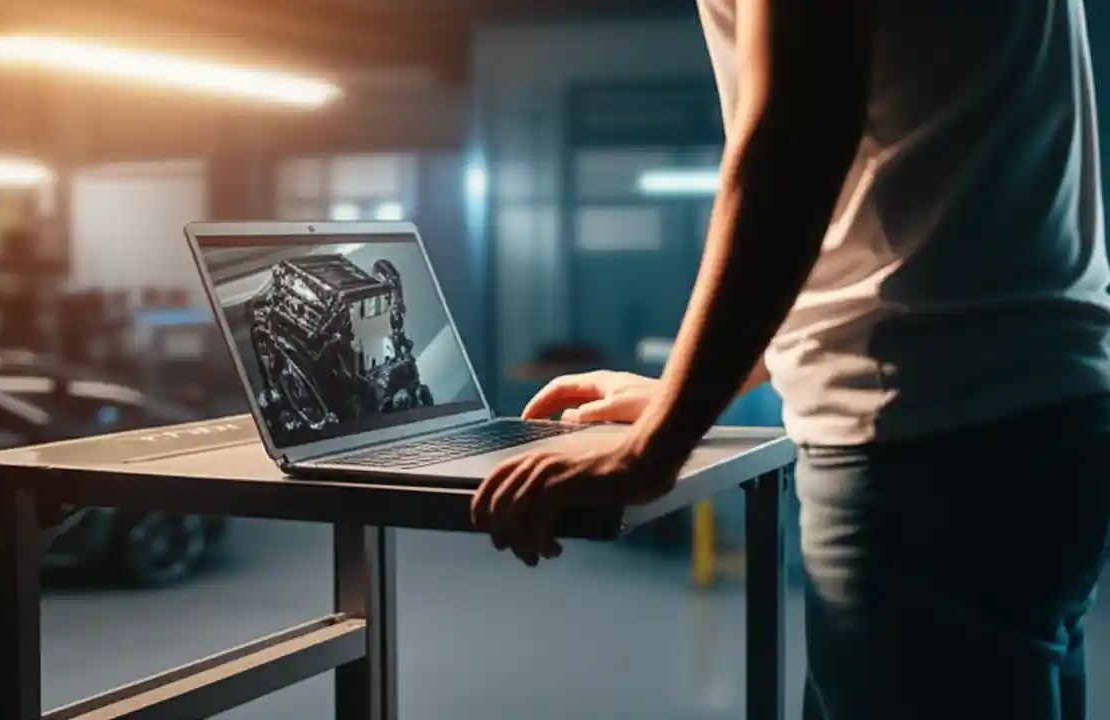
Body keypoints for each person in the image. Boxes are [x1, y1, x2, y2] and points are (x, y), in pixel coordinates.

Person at [470, 1, 1110, 718]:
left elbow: (794, 143)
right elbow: (898, 193)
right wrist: (687, 390)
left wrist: (657, 447)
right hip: (1050, 416)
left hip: (924, 443)